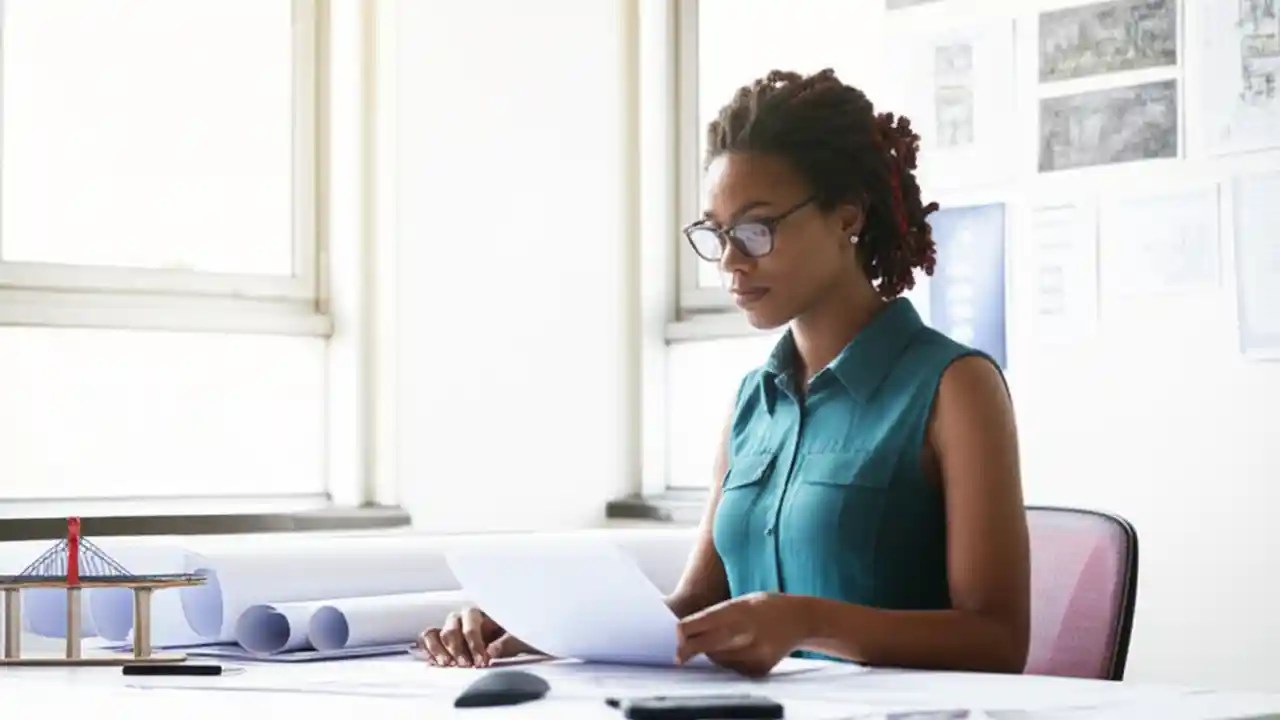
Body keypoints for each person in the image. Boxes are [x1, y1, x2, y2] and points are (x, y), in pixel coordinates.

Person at [417, 68, 1029, 678]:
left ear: (847, 219)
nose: (732, 262)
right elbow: (691, 609)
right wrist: (534, 623)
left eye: (757, 230)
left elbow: (998, 641)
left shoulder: (955, 385)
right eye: (719, 234)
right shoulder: (753, 400)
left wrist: (807, 621)